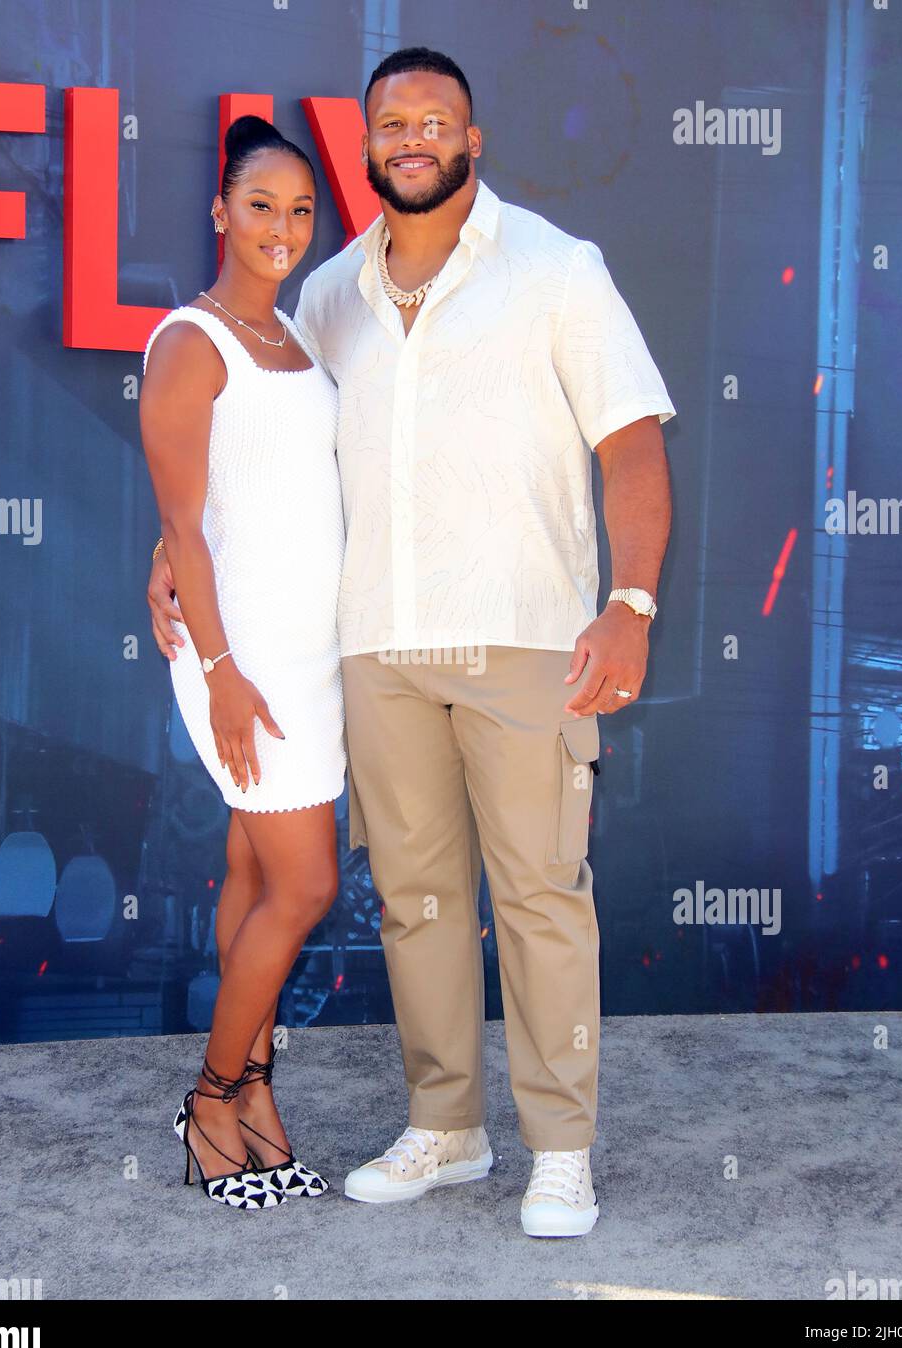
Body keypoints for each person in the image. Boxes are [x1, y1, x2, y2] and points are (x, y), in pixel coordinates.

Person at [148, 48, 676, 1237]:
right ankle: (447, 1126)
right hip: (374, 649)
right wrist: (170, 549)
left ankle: (561, 1149)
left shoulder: (557, 270)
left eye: (437, 121)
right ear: (368, 144)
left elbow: (634, 447)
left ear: (473, 141)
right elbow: (249, 448)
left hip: (531, 638)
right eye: (393, 122)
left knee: (541, 895)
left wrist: (630, 605)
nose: (414, 137)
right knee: (420, 901)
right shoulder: (327, 295)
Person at [139, 114, 344, 1209]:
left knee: (260, 876)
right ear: (220, 210)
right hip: (244, 654)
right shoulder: (190, 341)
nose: (282, 226)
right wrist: (219, 667)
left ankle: (258, 1093)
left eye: (301, 208)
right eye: (260, 204)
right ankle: (213, 1098)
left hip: (313, 648)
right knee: (305, 881)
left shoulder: (305, 338)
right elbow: (183, 522)